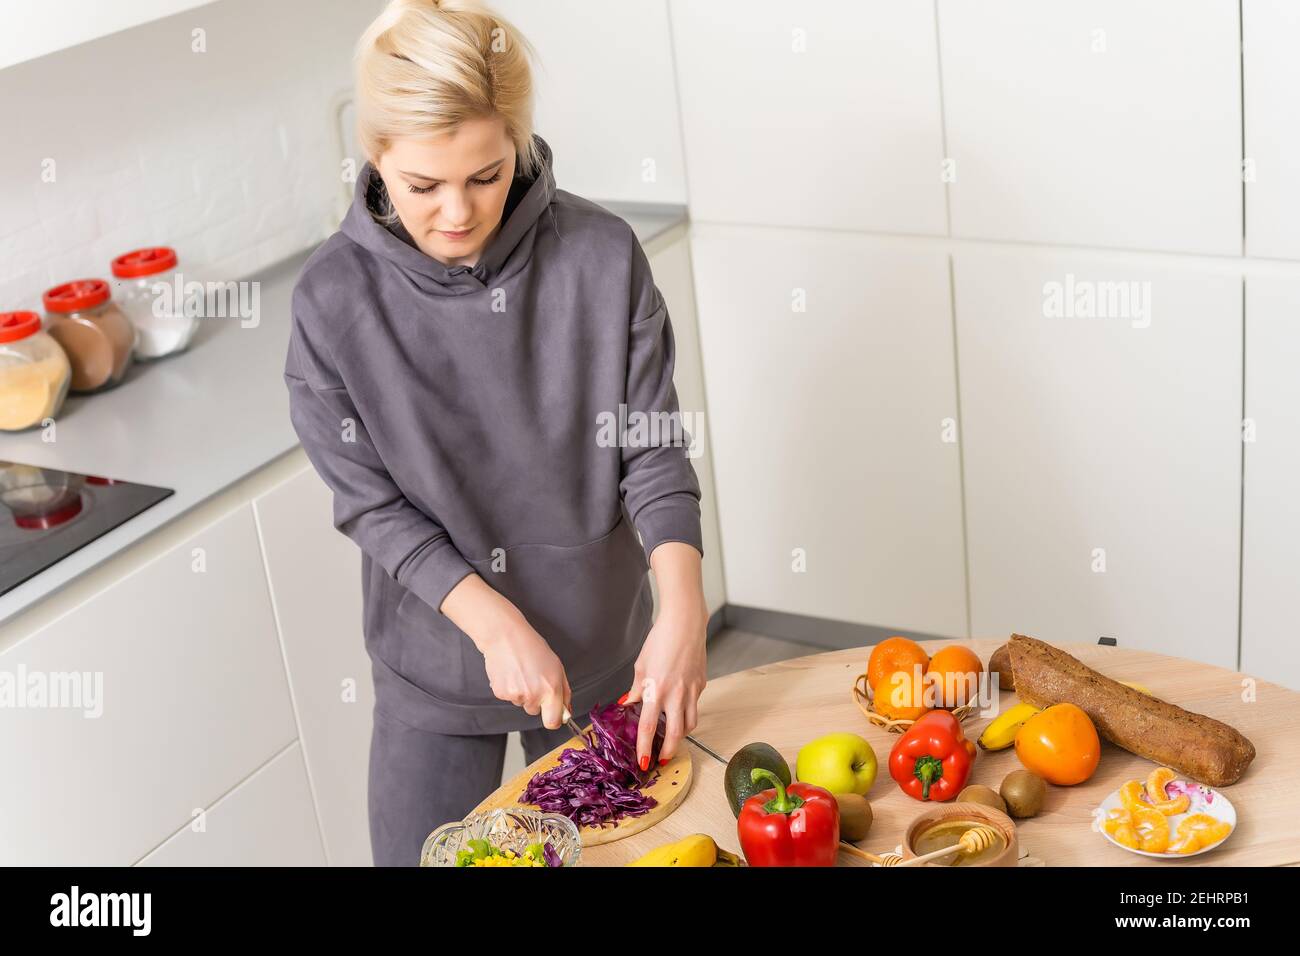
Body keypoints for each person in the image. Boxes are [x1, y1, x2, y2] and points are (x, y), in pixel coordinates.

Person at [283, 0, 709, 866]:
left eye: (485, 174)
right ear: (375, 159)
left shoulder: (601, 255)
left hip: (602, 650)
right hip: (436, 665)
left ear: (518, 138)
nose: (455, 214)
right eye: (421, 186)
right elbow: (373, 506)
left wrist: (686, 604)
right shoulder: (332, 302)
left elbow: (652, 445)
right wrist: (493, 623)